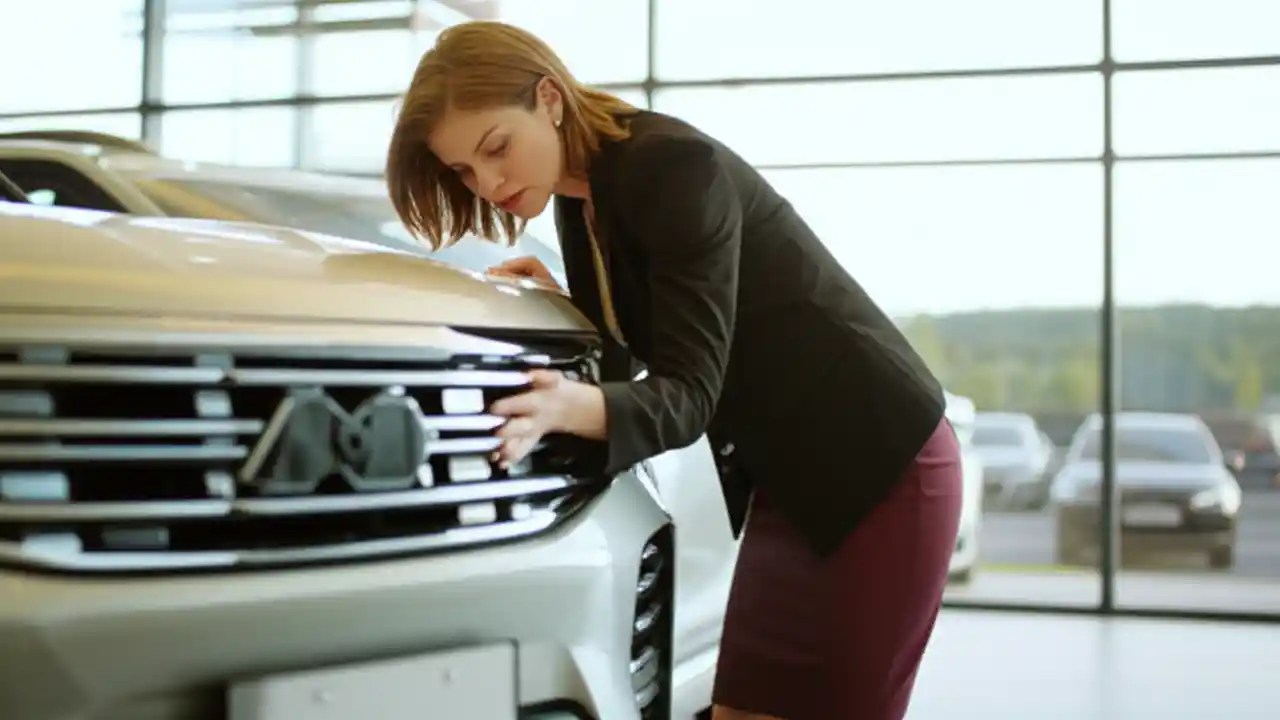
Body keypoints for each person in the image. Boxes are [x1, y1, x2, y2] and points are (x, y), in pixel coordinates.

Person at [385, 20, 962, 720]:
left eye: (496, 148)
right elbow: (663, 348)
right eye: (464, 172)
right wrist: (578, 312)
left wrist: (568, 404)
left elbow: (688, 393)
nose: (489, 182)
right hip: (792, 487)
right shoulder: (581, 199)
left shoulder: (673, 167)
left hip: (881, 469)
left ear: (549, 98)